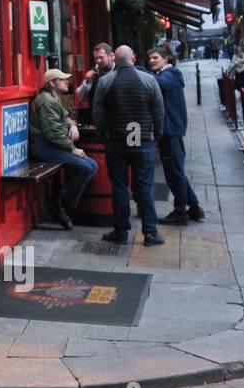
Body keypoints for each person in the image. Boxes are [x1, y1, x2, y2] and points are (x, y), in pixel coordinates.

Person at [92, 46, 166, 246]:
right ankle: (150, 233)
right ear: (133, 58)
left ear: (114, 58)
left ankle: (121, 231)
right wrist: (157, 135)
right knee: (145, 187)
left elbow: (97, 112)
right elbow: (159, 111)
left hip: (117, 141)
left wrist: (103, 135)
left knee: (120, 187)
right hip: (142, 141)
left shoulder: (106, 82)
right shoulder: (149, 80)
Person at [29, 68, 98, 230]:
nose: (67, 81)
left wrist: (72, 126)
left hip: (53, 145)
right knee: (86, 168)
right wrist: (73, 149)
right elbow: (52, 133)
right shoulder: (46, 101)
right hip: (44, 148)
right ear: (52, 83)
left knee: (93, 166)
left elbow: (65, 116)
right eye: (63, 79)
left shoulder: (54, 98)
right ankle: (60, 203)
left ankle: (61, 202)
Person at [148, 45, 205, 225]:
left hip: (170, 130)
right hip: (170, 129)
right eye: (150, 58)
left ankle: (181, 211)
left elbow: (154, 84)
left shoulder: (169, 76)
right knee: (175, 171)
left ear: (166, 59)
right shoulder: (166, 75)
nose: (151, 61)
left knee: (174, 173)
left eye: (155, 58)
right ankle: (194, 207)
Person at [75, 43, 116, 110]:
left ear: (111, 55)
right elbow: (81, 98)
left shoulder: (119, 70)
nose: (98, 61)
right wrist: (87, 81)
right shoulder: (94, 73)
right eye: (96, 58)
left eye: (101, 57)